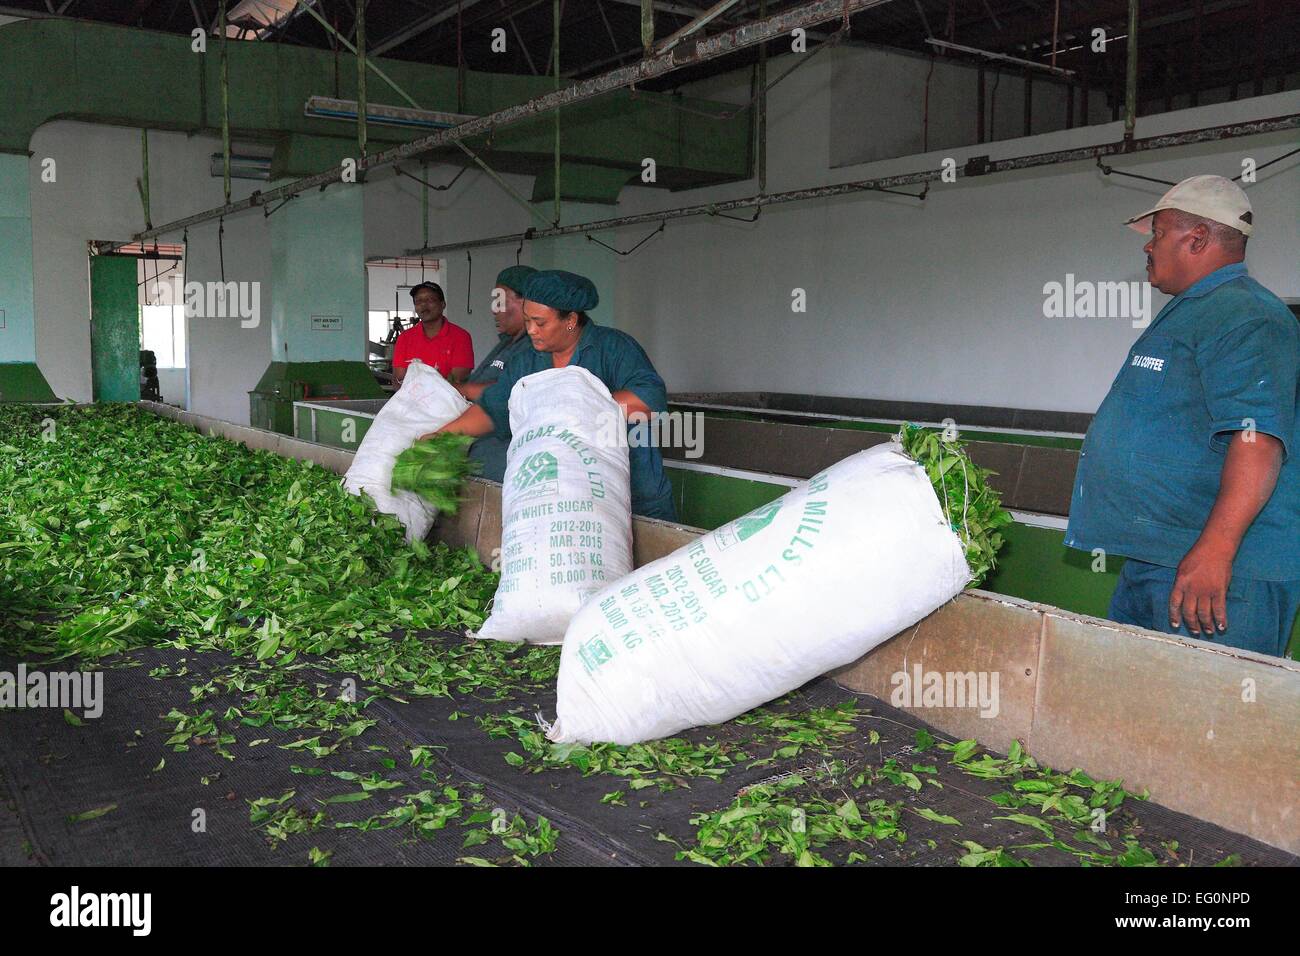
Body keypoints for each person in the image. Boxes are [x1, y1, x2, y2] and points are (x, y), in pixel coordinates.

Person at [1065, 175, 1299, 657]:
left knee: (1207, 722)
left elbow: (1257, 441)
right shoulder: (1197, 310)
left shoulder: (1246, 315)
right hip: (1162, 560)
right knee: (1135, 711)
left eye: (1158, 233)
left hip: (1221, 574)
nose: (1148, 247)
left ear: (1197, 239)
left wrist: (1215, 551)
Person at [429, 269, 678, 522]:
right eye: (527, 321)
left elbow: (648, 401)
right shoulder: (527, 362)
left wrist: (571, 408)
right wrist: (439, 436)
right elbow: (492, 410)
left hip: (635, 496)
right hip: (571, 499)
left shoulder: (613, 347)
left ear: (570, 319)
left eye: (540, 323)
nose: (532, 331)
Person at [457, 266, 538, 482]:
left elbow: (510, 393)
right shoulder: (506, 344)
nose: (495, 310)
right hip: (476, 459)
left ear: (525, 302)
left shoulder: (536, 348)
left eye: (501, 301)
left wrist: (461, 389)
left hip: (502, 466)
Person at [392, 281, 473, 384]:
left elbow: (457, 381)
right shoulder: (404, 338)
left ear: (443, 304)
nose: (423, 305)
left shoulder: (460, 337)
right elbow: (398, 380)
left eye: (430, 300)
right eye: (418, 301)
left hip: (447, 400)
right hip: (410, 399)